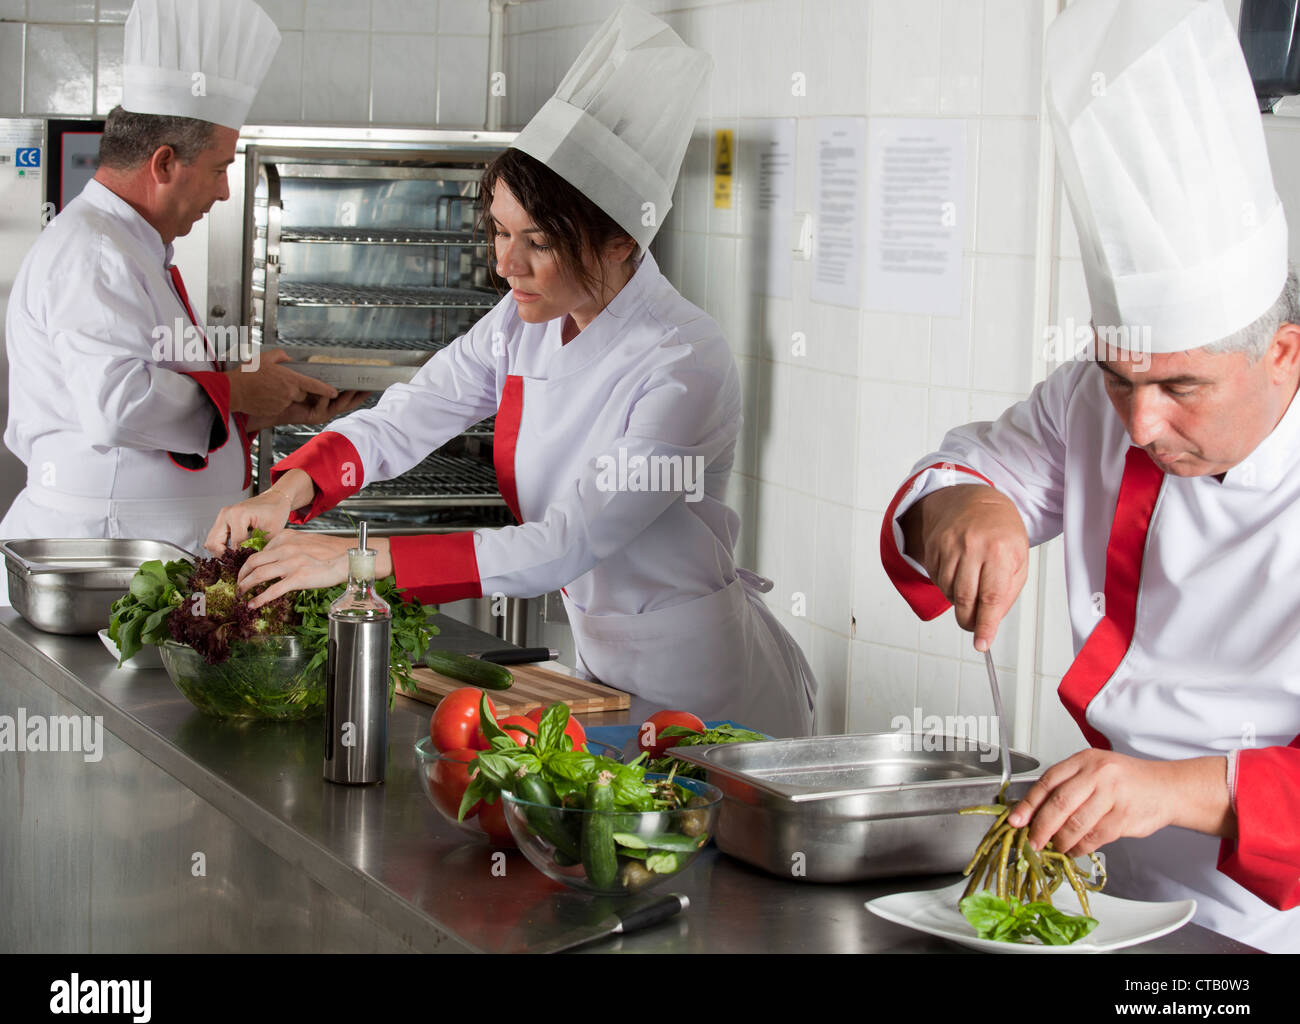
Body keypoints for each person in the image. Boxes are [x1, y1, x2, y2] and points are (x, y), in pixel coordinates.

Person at [204, 5, 816, 738]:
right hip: (604, 672)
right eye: (498, 230)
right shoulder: (528, 321)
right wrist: (290, 489)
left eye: (538, 241)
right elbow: (412, 412)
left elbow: (566, 541)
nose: (505, 264)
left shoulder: (684, 363)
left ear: (621, 240)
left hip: (707, 698)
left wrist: (356, 560)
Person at [880, 0, 1300, 952]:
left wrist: (1176, 787)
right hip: (1113, 901)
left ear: (1283, 353)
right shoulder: (1094, 401)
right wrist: (965, 506)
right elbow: (952, 477)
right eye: (1120, 379)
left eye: (1182, 385)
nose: (1141, 423)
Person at [0, 0, 364, 564]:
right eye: (220, 168)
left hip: (136, 552)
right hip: (101, 555)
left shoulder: (131, 247)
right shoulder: (95, 251)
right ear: (164, 164)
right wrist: (238, 392)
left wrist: (262, 404)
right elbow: (116, 404)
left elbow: (155, 394)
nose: (223, 192)